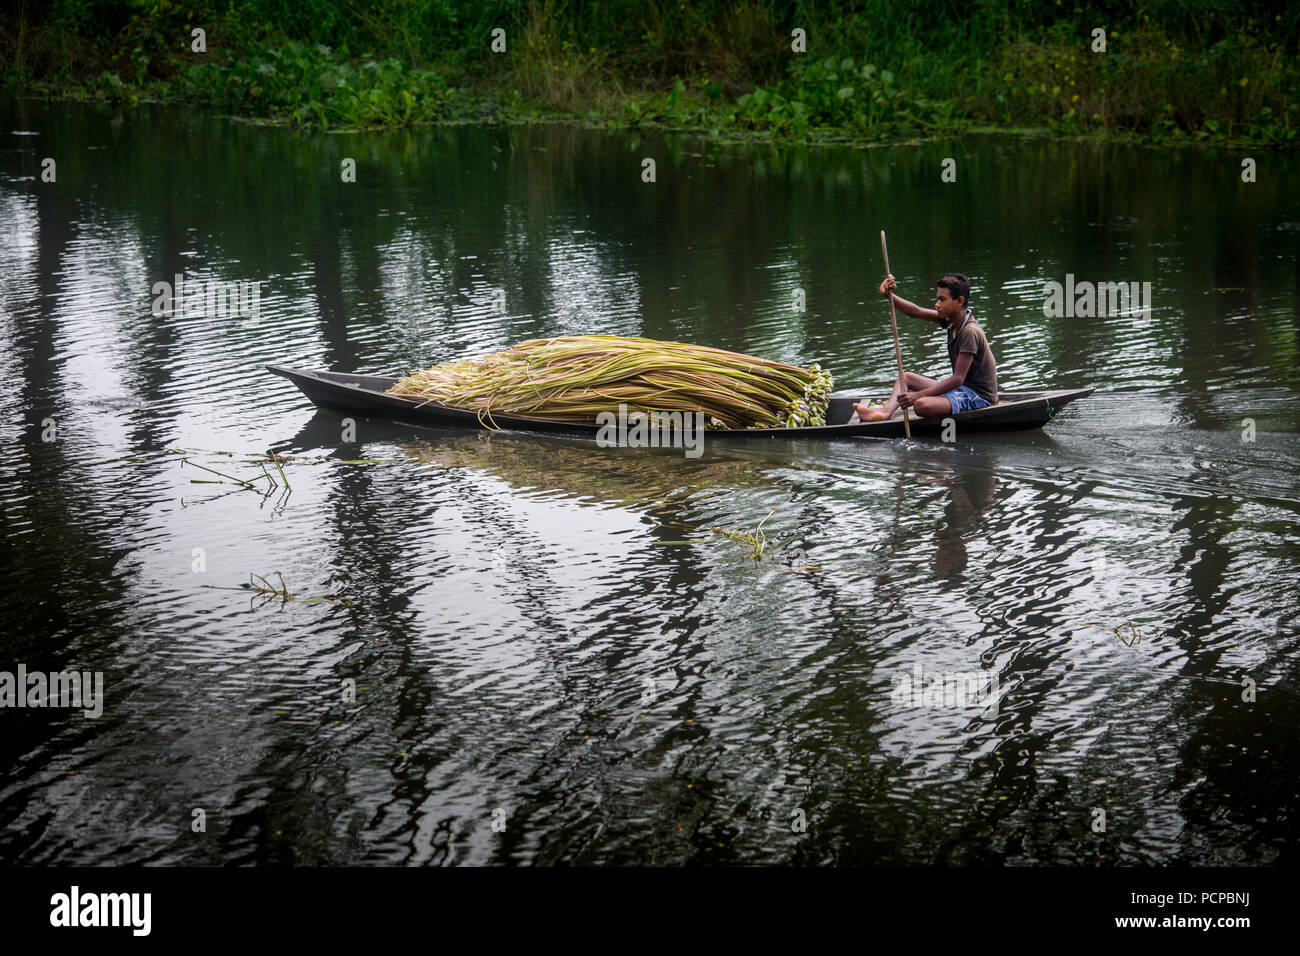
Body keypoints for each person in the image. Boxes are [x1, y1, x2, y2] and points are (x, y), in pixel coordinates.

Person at [853, 273, 998, 422]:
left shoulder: (969, 331)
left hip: (978, 396)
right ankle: (884, 412)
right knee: (906, 377)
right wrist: (889, 296)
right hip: (960, 389)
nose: (937, 304)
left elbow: (957, 379)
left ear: (959, 301)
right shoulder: (952, 320)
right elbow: (915, 312)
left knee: (921, 405)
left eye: (942, 300)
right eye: (937, 299)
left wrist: (917, 395)